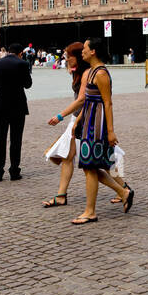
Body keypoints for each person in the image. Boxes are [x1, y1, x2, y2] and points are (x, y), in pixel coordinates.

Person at [47, 37, 133, 223]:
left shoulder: (100, 73)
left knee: (94, 166)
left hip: (97, 125)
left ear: (93, 51)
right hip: (87, 123)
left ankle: (97, 207)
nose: (83, 51)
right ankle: (119, 193)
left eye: (85, 48)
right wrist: (77, 120)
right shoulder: (92, 71)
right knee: (90, 167)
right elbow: (87, 101)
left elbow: (108, 103)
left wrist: (110, 131)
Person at [43, 42, 86, 208]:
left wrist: (60, 116)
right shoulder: (78, 71)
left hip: (83, 119)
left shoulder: (87, 74)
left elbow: (82, 100)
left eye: (69, 56)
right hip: (77, 118)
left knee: (100, 162)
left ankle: (123, 190)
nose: (66, 59)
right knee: (67, 157)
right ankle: (61, 195)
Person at [0, 45, 33, 181]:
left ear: (8, 51)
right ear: (20, 53)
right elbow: (28, 84)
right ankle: (14, 170)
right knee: (16, 140)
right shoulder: (23, 64)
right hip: (17, 106)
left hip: (0, 105)